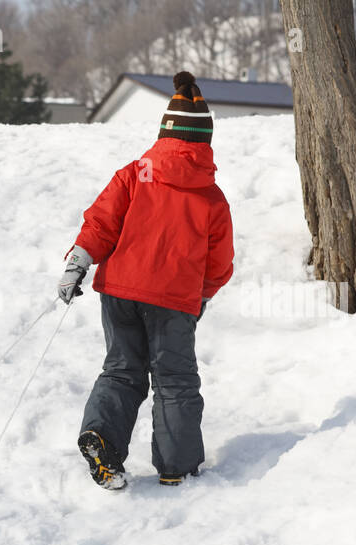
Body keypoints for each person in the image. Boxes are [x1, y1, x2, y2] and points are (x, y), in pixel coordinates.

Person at [58, 71, 234, 489]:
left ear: (164, 132)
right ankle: (178, 467)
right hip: (173, 302)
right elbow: (220, 263)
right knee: (174, 382)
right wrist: (201, 298)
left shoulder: (133, 175)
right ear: (204, 141)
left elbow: (100, 224)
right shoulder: (212, 198)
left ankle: (101, 436)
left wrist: (76, 263)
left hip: (118, 292)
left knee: (121, 371)